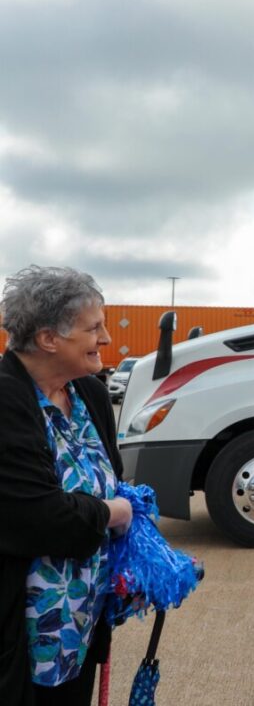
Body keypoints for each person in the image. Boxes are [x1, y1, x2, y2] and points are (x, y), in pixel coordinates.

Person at [0, 266, 133, 706]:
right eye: (94, 328)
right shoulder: (6, 401)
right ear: (48, 339)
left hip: (82, 623)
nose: (108, 339)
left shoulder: (90, 395)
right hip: (23, 633)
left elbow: (114, 480)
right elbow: (40, 518)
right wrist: (114, 513)